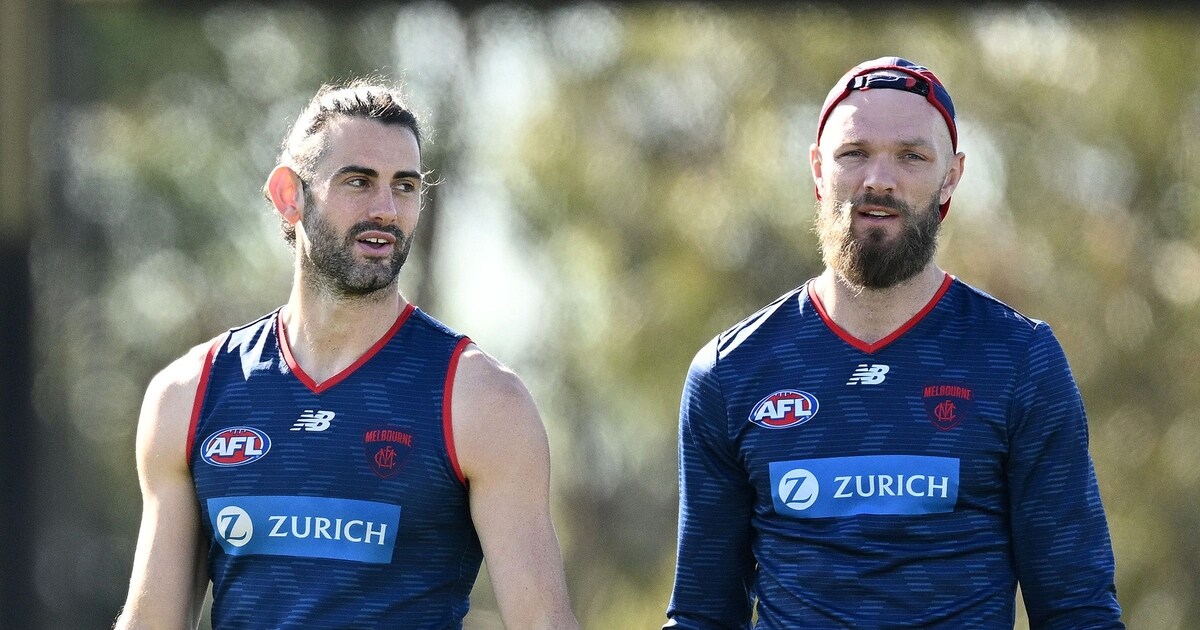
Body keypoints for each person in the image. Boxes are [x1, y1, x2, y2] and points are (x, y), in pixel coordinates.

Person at [664, 57, 1124, 629]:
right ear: (817, 168)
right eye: (854, 153)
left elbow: (1078, 611)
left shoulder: (1018, 359)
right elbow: (702, 617)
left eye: (911, 156)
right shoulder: (729, 373)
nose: (878, 179)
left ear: (951, 176)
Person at [115, 79, 579, 630]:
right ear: (290, 195)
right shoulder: (190, 394)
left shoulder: (481, 401)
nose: (385, 209)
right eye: (358, 182)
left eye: (404, 187)